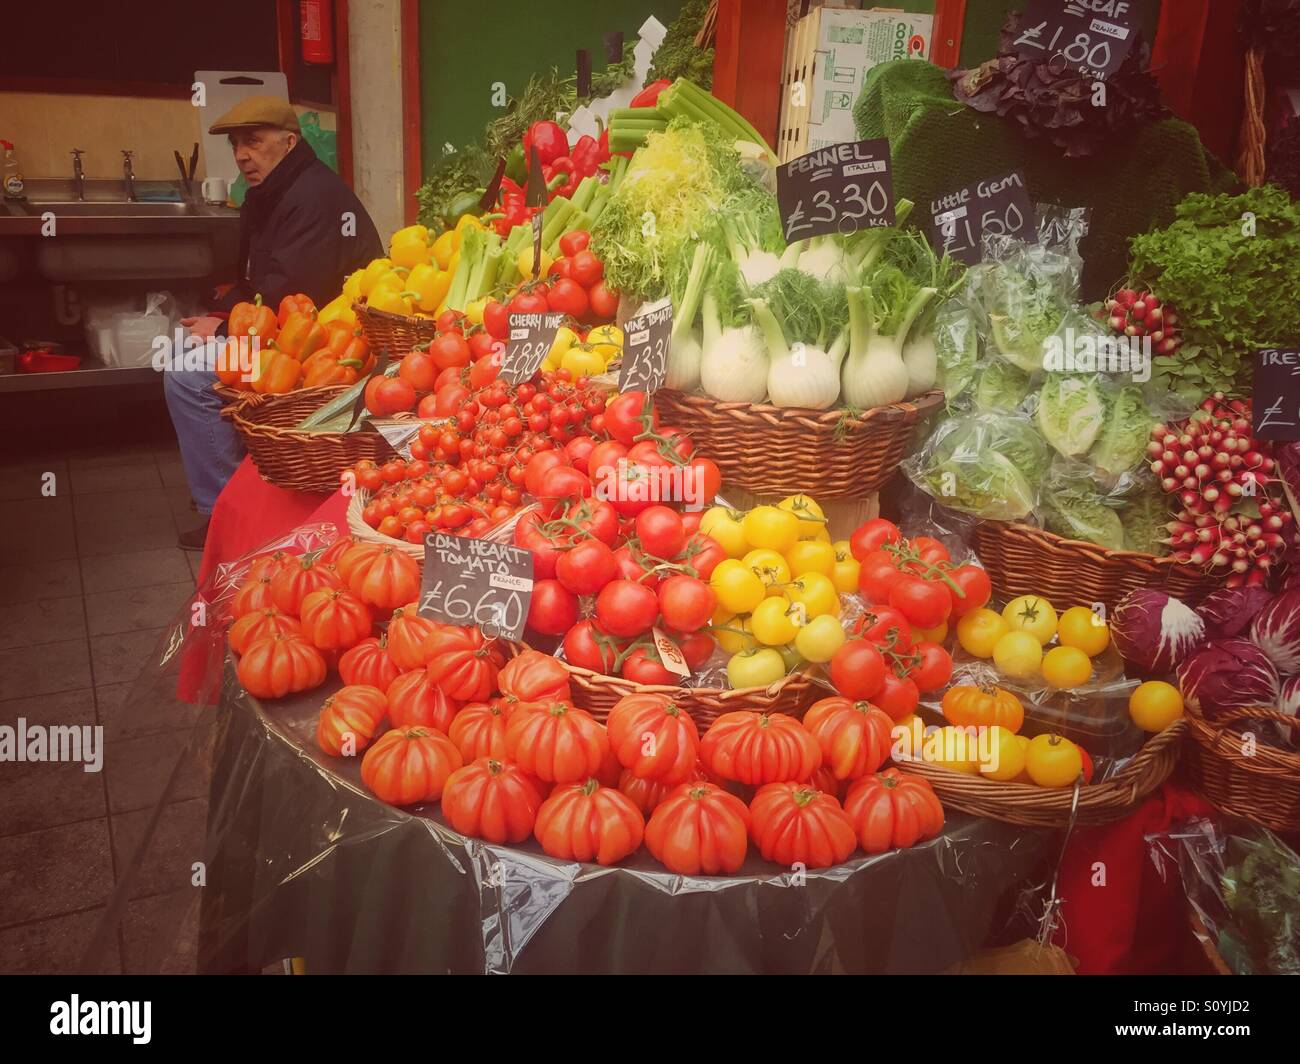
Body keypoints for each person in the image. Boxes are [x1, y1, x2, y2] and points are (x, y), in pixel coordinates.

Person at [165, 95, 382, 549]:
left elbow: (292, 297)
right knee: (187, 351)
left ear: (288, 142)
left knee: (187, 376)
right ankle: (238, 491)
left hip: (322, 350)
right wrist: (221, 318)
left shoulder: (312, 199)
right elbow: (259, 282)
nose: (242, 155)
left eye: (253, 142)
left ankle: (224, 511)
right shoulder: (274, 193)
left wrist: (224, 332)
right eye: (236, 145)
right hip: (291, 336)